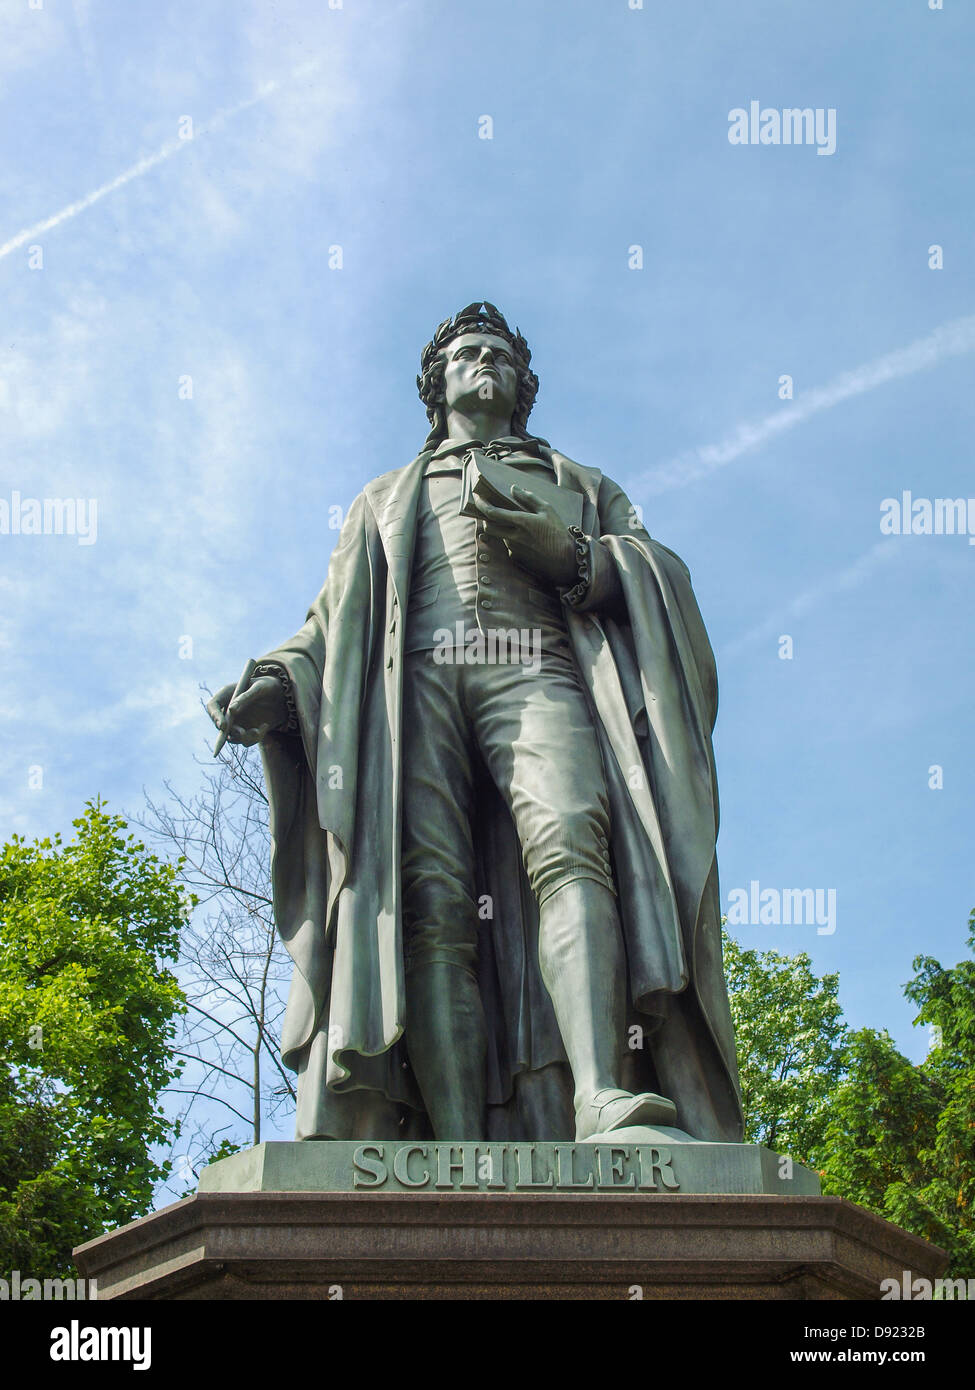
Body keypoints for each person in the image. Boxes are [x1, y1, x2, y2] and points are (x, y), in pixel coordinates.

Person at [208, 301, 744, 1145]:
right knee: (428, 901)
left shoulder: (581, 485)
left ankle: (601, 1094)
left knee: (573, 839)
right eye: (467, 353)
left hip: (536, 666)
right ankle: (454, 1133)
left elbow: (660, 574)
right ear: (437, 385)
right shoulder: (384, 499)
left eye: (499, 353)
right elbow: (330, 624)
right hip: (411, 688)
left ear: (523, 385)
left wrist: (573, 558)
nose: (484, 361)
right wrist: (278, 682)